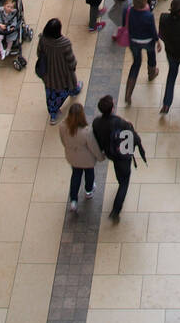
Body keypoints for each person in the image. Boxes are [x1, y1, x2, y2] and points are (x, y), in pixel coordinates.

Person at [92, 94, 146, 222]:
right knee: (124, 182)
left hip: (111, 154)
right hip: (123, 157)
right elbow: (134, 138)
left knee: (119, 174)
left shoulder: (97, 123)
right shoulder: (121, 123)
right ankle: (116, 210)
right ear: (112, 109)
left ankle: (119, 179)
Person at [59, 101, 105, 211]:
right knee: (89, 174)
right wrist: (100, 157)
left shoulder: (62, 126)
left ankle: (73, 200)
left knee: (75, 176)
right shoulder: (86, 131)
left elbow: (63, 140)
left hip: (72, 157)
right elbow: (93, 147)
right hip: (86, 159)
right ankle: (88, 191)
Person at [35, 17, 82, 123]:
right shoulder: (64, 43)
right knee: (68, 85)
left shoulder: (43, 39)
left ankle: (53, 114)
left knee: (51, 94)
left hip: (48, 74)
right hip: (63, 74)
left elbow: (39, 53)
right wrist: (73, 66)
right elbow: (70, 60)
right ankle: (74, 90)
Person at [123, 0, 160, 101]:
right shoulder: (148, 15)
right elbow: (153, 31)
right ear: (145, 2)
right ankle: (151, 74)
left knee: (136, 63)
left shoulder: (127, 10)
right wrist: (157, 41)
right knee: (151, 56)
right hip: (148, 41)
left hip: (133, 41)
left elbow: (124, 24)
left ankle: (128, 94)